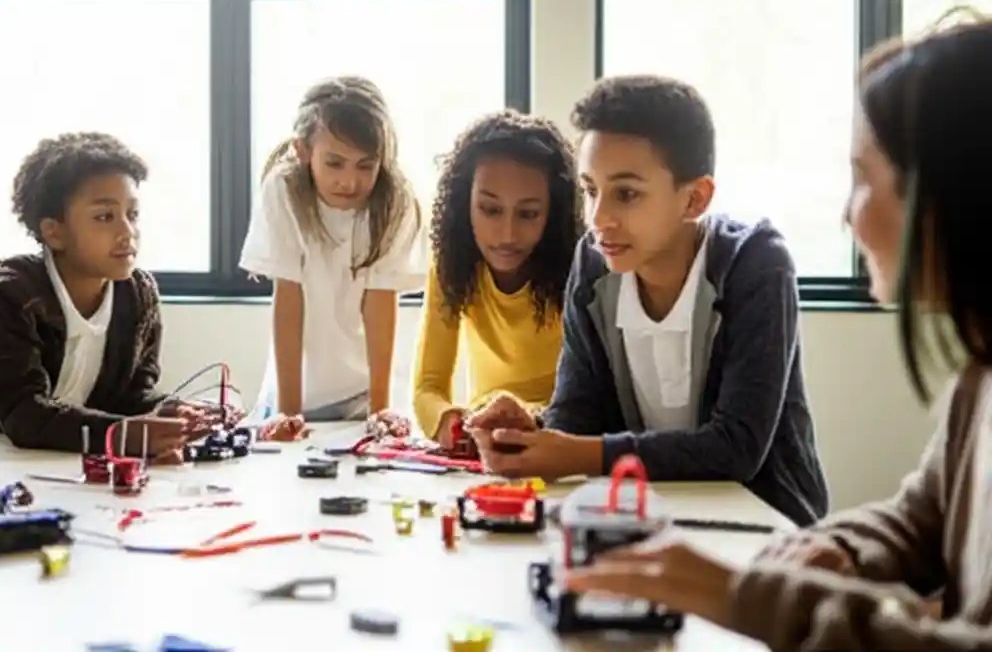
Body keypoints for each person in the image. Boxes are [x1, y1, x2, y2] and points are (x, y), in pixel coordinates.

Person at [562, 18, 992, 651]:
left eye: (864, 177)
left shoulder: (754, 261)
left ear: (953, 192)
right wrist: (835, 548)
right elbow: (918, 519)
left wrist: (746, 596)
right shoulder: (978, 377)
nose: (848, 214)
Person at [468, 75, 828, 526]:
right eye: (591, 190)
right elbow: (579, 416)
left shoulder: (755, 265)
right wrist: (534, 432)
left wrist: (572, 452)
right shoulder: (595, 263)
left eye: (626, 194)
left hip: (763, 523)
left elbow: (738, 449)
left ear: (694, 198)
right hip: (649, 516)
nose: (599, 219)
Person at [0, 132, 221, 460]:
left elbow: (129, 398)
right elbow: (22, 416)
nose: (128, 231)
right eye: (104, 217)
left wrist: (170, 411)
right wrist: (122, 435)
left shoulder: (138, 294)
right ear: (54, 232)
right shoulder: (8, 295)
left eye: (132, 214)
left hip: (70, 462)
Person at [240, 76, 426, 441]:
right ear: (304, 150)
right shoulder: (284, 191)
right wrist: (289, 413)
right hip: (296, 387)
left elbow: (380, 302)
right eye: (335, 163)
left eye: (365, 165)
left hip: (365, 389)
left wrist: (380, 409)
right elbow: (289, 299)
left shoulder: (394, 201)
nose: (350, 181)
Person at [412, 110, 578, 447]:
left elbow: (594, 400)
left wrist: (530, 418)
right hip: (485, 446)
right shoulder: (451, 265)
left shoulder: (582, 270)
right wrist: (453, 425)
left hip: (558, 440)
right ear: (465, 204)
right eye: (490, 210)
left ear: (553, 213)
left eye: (528, 214)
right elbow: (428, 387)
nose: (507, 234)